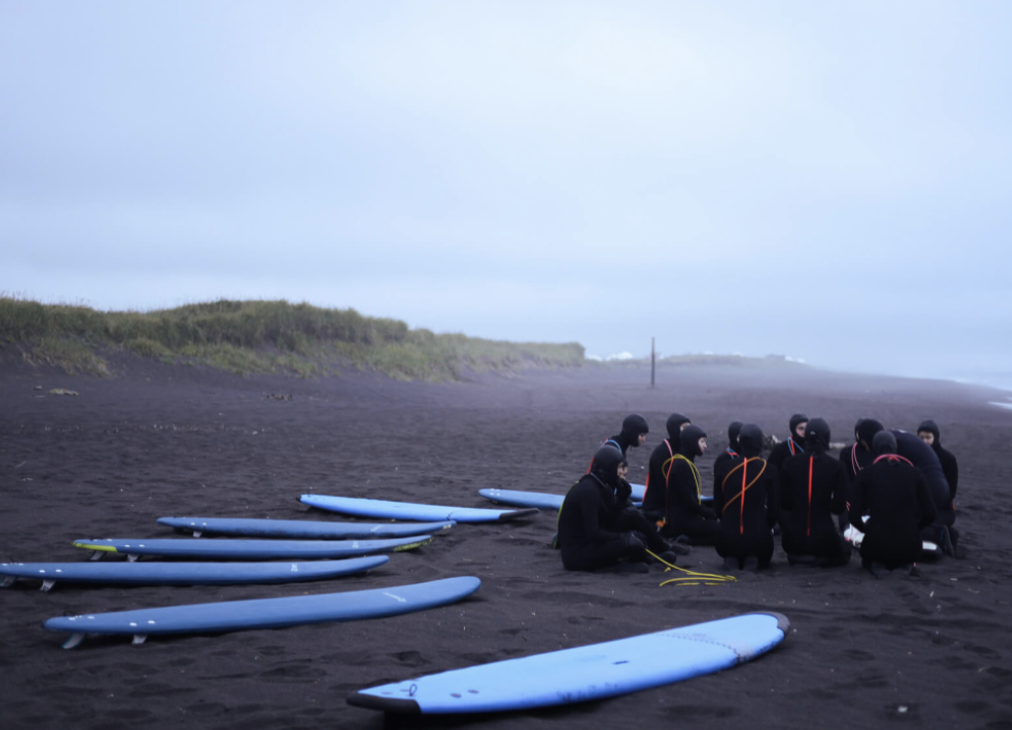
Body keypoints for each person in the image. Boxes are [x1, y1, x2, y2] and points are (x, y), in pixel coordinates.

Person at [557, 447, 675, 573]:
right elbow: (594, 533)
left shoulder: (600, 486)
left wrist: (622, 497)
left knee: (631, 515)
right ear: (607, 468)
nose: (621, 472)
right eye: (618, 468)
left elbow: (607, 520)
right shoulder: (588, 490)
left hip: (589, 544)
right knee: (630, 543)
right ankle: (644, 561)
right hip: (577, 556)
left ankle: (661, 547)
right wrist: (624, 537)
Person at [849, 431, 937, 576]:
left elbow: (853, 515)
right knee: (905, 554)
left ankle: (878, 564)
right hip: (909, 547)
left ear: (874, 449)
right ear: (895, 448)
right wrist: (915, 527)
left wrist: (867, 529)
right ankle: (904, 565)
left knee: (874, 555)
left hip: (876, 546)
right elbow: (930, 513)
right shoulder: (915, 473)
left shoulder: (866, 474)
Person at [778, 418, 851, 568]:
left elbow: (785, 504)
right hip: (824, 539)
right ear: (826, 437)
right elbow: (838, 508)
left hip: (793, 541)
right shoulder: (837, 467)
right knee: (845, 551)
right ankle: (819, 560)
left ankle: (802, 558)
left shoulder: (789, 463)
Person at [712, 423, 779, 570]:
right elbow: (773, 512)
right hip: (758, 538)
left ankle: (732, 559)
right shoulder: (769, 470)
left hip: (726, 538)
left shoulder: (724, 467)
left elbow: (718, 507)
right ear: (760, 444)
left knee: (731, 554)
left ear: (740, 442)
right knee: (755, 556)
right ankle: (752, 560)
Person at [644, 424, 719, 544]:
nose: (705, 446)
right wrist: (708, 513)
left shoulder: (683, 462)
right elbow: (688, 500)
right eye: (702, 442)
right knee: (723, 531)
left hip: (682, 518)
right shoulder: (682, 465)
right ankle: (688, 540)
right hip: (684, 522)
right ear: (692, 443)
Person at [917, 419, 959, 552]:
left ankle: (948, 536)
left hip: (943, 509)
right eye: (921, 438)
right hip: (920, 506)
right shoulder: (915, 457)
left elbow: (951, 491)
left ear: (935, 437)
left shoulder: (948, 459)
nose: (924, 441)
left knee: (928, 524)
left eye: (928, 438)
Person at [643, 413, 692, 521]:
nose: (688, 431)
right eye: (684, 428)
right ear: (675, 429)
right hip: (658, 509)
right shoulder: (662, 453)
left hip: (673, 506)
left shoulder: (683, 450)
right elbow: (664, 487)